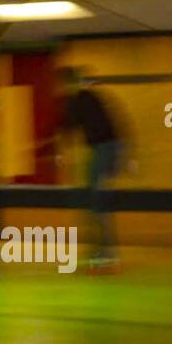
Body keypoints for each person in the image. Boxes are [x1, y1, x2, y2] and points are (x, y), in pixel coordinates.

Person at [59, 65, 123, 271]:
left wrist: (59, 152)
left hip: (104, 150)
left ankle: (105, 251)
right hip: (107, 150)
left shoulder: (80, 99)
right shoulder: (89, 98)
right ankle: (101, 249)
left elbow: (68, 126)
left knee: (97, 202)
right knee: (96, 200)